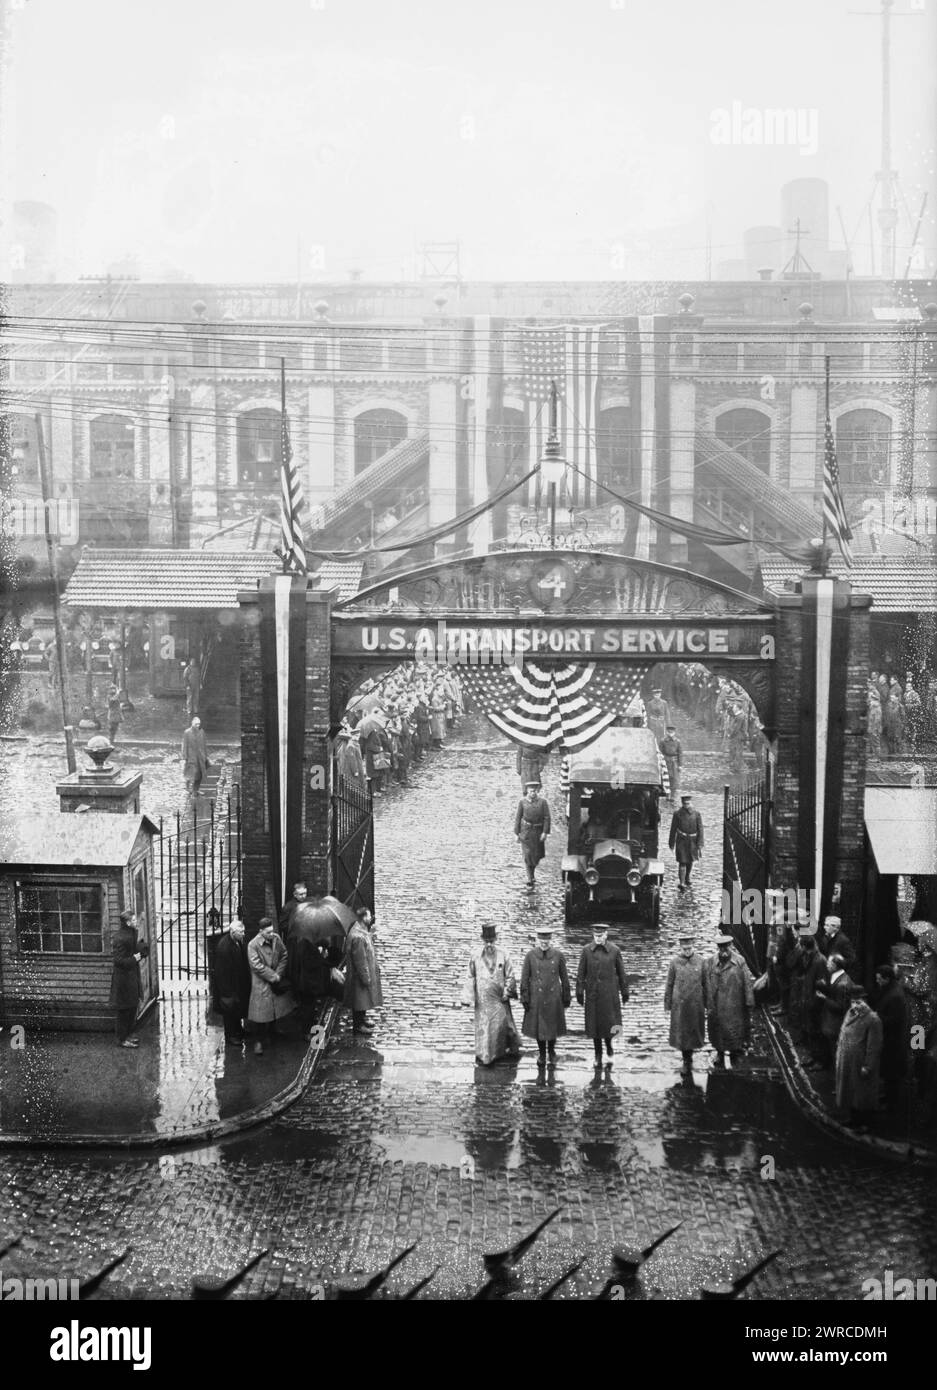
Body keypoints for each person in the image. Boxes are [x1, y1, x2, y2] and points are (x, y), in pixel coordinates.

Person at [460, 924, 520, 1066]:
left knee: (500, 1026)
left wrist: (507, 991)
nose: (489, 945)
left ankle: (499, 1053)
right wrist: (468, 997)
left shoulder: (504, 955)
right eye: (486, 942)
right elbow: (470, 976)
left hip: (499, 998)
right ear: (482, 941)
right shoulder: (475, 956)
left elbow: (510, 976)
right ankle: (484, 1055)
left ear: (496, 940)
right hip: (483, 999)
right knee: (484, 1027)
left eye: (491, 941)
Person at [576, 924, 630, 1067]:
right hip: (593, 994)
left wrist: (624, 991)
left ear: (606, 934)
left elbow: (621, 973)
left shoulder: (614, 950)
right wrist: (579, 991)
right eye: (596, 936)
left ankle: (610, 1046)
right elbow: (581, 973)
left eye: (601, 935)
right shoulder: (586, 951)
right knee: (594, 1025)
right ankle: (598, 1054)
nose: (598, 938)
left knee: (609, 1023)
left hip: (609, 994)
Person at [521, 924, 571, 1069]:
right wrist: (525, 996)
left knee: (552, 1026)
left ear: (551, 940)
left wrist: (566, 996)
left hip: (553, 996)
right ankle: (542, 1053)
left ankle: (552, 1050)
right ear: (537, 940)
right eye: (541, 940)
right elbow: (525, 977)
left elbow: (565, 977)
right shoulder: (530, 956)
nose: (544, 943)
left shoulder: (558, 955)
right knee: (539, 1028)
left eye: (547, 940)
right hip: (536, 997)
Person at [835, 985, 883, 1132]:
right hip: (849, 1062)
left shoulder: (873, 1019)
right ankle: (853, 1119)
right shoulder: (850, 1013)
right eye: (853, 1001)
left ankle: (865, 1124)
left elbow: (874, 1046)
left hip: (861, 1064)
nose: (855, 1005)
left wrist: (868, 1066)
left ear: (865, 1001)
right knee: (851, 1092)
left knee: (863, 1094)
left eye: (858, 1001)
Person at [703, 934, 754, 1069]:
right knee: (717, 1031)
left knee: (735, 1031)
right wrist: (707, 1002)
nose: (724, 950)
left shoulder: (740, 961)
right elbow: (706, 983)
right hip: (717, 1003)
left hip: (735, 1003)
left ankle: (735, 1054)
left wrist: (749, 1001)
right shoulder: (711, 962)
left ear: (731, 946)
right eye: (721, 947)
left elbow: (747, 982)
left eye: (726, 946)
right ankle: (719, 1052)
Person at [247, 918, 293, 1055]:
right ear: (261, 932)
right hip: (261, 984)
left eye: (272, 931)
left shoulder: (276, 939)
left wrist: (278, 973)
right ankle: (259, 1042)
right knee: (261, 1015)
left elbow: (284, 954)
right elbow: (256, 966)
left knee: (274, 1010)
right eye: (268, 932)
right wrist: (273, 976)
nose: (271, 934)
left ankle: (273, 1032)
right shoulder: (253, 945)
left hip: (275, 980)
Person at [664, 935, 706, 1075]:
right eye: (684, 949)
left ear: (693, 947)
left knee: (694, 1030)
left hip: (695, 1003)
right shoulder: (674, 962)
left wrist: (708, 1003)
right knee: (682, 1032)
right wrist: (667, 1004)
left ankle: (690, 1055)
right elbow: (669, 984)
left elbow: (706, 983)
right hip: (680, 1005)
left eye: (689, 948)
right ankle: (685, 1059)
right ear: (680, 948)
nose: (687, 951)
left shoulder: (701, 961)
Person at [787, 928, 829, 1065]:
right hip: (808, 998)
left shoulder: (819, 960)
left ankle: (819, 1060)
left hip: (814, 1002)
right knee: (810, 1029)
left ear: (805, 947)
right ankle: (813, 1055)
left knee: (816, 1031)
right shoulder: (811, 957)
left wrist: (814, 998)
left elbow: (822, 982)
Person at [873, 963, 910, 1113]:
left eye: (879, 979)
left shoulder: (895, 996)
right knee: (888, 1073)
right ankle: (888, 1097)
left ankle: (892, 1104)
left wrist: (876, 1017)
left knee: (892, 1074)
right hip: (889, 1040)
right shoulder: (890, 990)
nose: (877, 981)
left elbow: (894, 1020)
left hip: (893, 1042)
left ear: (887, 978)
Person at [109, 909, 149, 1048]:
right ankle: (121, 1039)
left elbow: (132, 948)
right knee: (123, 1011)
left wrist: (140, 950)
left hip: (131, 976)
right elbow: (118, 961)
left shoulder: (132, 932)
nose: (135, 922)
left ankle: (127, 1035)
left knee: (132, 1007)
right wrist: (135, 958)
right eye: (133, 920)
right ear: (127, 922)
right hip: (123, 980)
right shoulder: (119, 938)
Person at [343, 908, 383, 1035]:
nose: (371, 918)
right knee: (359, 1001)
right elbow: (360, 960)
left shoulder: (359, 929)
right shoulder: (358, 937)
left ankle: (362, 1020)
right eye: (369, 916)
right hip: (358, 977)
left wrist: (371, 933)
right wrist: (366, 977)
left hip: (361, 974)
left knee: (363, 1000)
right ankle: (358, 1025)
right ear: (364, 918)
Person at [215, 919, 251, 1045]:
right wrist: (227, 992)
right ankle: (230, 1035)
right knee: (229, 1011)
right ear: (232, 932)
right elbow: (222, 973)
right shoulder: (224, 948)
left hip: (237, 983)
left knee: (236, 1009)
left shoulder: (237, 941)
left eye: (243, 931)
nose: (243, 934)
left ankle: (238, 1030)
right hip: (229, 986)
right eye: (241, 932)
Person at [815, 953, 853, 1069]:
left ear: (835, 965)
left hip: (835, 1024)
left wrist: (824, 998)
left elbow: (840, 1007)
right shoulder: (837, 977)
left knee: (836, 1053)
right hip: (830, 1022)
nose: (826, 964)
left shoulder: (842, 984)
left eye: (829, 962)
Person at [514, 781, 551, 890]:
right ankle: (529, 878)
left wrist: (545, 832)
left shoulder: (543, 802)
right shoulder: (522, 802)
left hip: (538, 832)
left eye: (534, 791)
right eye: (530, 791)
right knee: (527, 855)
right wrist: (516, 833)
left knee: (536, 856)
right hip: (526, 832)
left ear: (537, 791)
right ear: (527, 791)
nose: (532, 793)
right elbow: (518, 817)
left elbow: (547, 818)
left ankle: (532, 873)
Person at [668, 794, 703, 894]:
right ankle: (682, 883)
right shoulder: (677, 814)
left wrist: (700, 843)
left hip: (692, 841)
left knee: (690, 861)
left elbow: (700, 829)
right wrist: (671, 843)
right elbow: (673, 829)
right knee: (682, 861)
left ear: (691, 803)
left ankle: (687, 877)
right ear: (682, 803)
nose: (686, 805)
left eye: (688, 803)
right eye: (684, 803)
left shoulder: (697, 814)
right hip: (681, 840)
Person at [181, 716, 209, 805]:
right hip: (191, 757)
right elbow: (184, 745)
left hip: (200, 757)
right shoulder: (187, 732)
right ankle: (188, 788)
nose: (197, 726)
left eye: (199, 724)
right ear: (192, 724)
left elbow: (204, 745)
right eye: (196, 724)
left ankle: (195, 790)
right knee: (190, 773)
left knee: (199, 774)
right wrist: (184, 757)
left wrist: (205, 756)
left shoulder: (202, 732)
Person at [336, 725, 366, 789]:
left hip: (358, 766)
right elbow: (352, 760)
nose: (357, 737)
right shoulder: (351, 746)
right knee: (354, 785)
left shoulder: (356, 744)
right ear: (352, 736)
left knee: (358, 785)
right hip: (353, 769)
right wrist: (355, 771)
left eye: (358, 736)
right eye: (355, 736)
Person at [658, 726, 682, 802]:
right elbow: (660, 752)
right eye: (669, 732)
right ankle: (667, 794)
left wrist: (680, 765)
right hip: (665, 761)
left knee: (674, 779)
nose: (670, 734)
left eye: (672, 732)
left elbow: (680, 753)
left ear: (674, 733)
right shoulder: (663, 741)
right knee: (666, 777)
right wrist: (660, 763)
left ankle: (673, 795)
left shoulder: (677, 741)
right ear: (666, 732)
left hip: (674, 762)